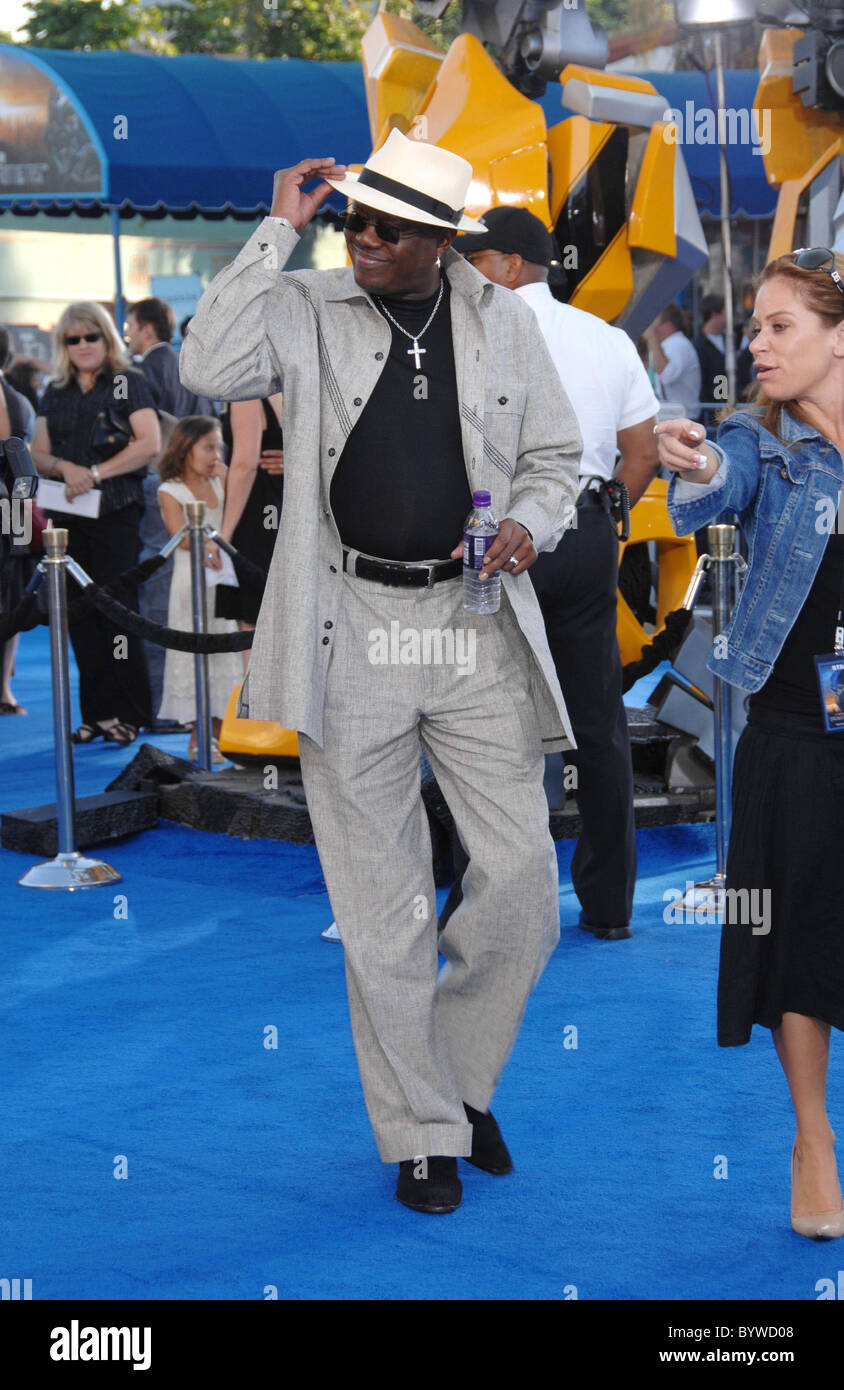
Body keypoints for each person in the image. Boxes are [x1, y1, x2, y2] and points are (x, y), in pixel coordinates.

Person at [180, 130, 582, 1215]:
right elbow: (205, 368)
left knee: (523, 888)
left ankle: (455, 1079)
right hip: (344, 623)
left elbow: (556, 461)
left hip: (472, 624)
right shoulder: (306, 304)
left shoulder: (504, 325)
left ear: (441, 242)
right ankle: (419, 1130)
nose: (362, 236)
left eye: (386, 226)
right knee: (382, 903)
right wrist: (277, 225)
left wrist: (533, 524)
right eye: (353, 217)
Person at [657, 246, 844, 1240]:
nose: (756, 343)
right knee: (796, 940)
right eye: (754, 326)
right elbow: (709, 482)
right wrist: (686, 454)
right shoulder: (757, 446)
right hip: (793, 735)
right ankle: (812, 1137)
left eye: (780, 326)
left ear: (838, 333)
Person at [455, 205, 660, 940]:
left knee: (479, 725)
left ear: (511, 266)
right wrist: (599, 521)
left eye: (473, 259)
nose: (460, 271)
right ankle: (609, 911)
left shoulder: (473, 333)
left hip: (504, 539)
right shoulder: (607, 339)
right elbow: (641, 454)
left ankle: (485, 910)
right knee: (598, 725)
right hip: (588, 540)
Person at [31, 301, 160, 744]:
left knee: (119, 613)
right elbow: (37, 451)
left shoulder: (127, 383)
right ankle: (96, 714)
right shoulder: (56, 390)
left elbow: (150, 444)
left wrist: (96, 475)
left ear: (107, 339)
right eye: (74, 338)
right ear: (64, 345)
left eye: (92, 336)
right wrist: (67, 468)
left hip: (116, 513)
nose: (83, 345)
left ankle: (130, 713)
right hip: (67, 517)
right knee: (80, 617)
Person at [125, 298, 218, 724]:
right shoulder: (188, 366)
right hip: (205, 489)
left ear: (146, 329)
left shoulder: (144, 373)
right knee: (201, 593)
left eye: (130, 326)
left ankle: (168, 705)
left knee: (161, 591)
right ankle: (205, 708)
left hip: (166, 487)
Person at [156, 417, 242, 762]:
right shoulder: (169, 490)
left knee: (226, 651)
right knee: (193, 651)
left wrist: (229, 479)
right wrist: (208, 547)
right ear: (185, 448)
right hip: (190, 585)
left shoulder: (223, 483)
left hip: (225, 581)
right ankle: (197, 733)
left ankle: (226, 730)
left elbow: (241, 514)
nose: (215, 455)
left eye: (218, 447)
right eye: (207, 447)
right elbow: (181, 535)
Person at [215, 396, 285, 672]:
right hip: (290, 504)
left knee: (254, 619)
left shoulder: (249, 390)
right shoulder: (297, 380)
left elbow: (245, 464)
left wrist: (224, 534)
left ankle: (259, 709)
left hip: (256, 509)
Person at [0, 326, 36, 716]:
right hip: (15, 511)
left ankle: (4, 688)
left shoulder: (18, 403)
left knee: (11, 597)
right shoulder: (19, 401)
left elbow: (23, 468)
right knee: (10, 596)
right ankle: (4, 689)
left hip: (12, 510)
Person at [645, 303, 702, 422]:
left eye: (655, 323)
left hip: (684, 418)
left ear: (668, 326)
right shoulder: (668, 345)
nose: (651, 327)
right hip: (672, 416)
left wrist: (651, 337)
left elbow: (667, 375)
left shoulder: (679, 344)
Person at [692, 293, 727, 429]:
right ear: (714, 313)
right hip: (709, 414)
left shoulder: (730, 339)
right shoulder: (698, 345)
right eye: (725, 312)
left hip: (725, 408)